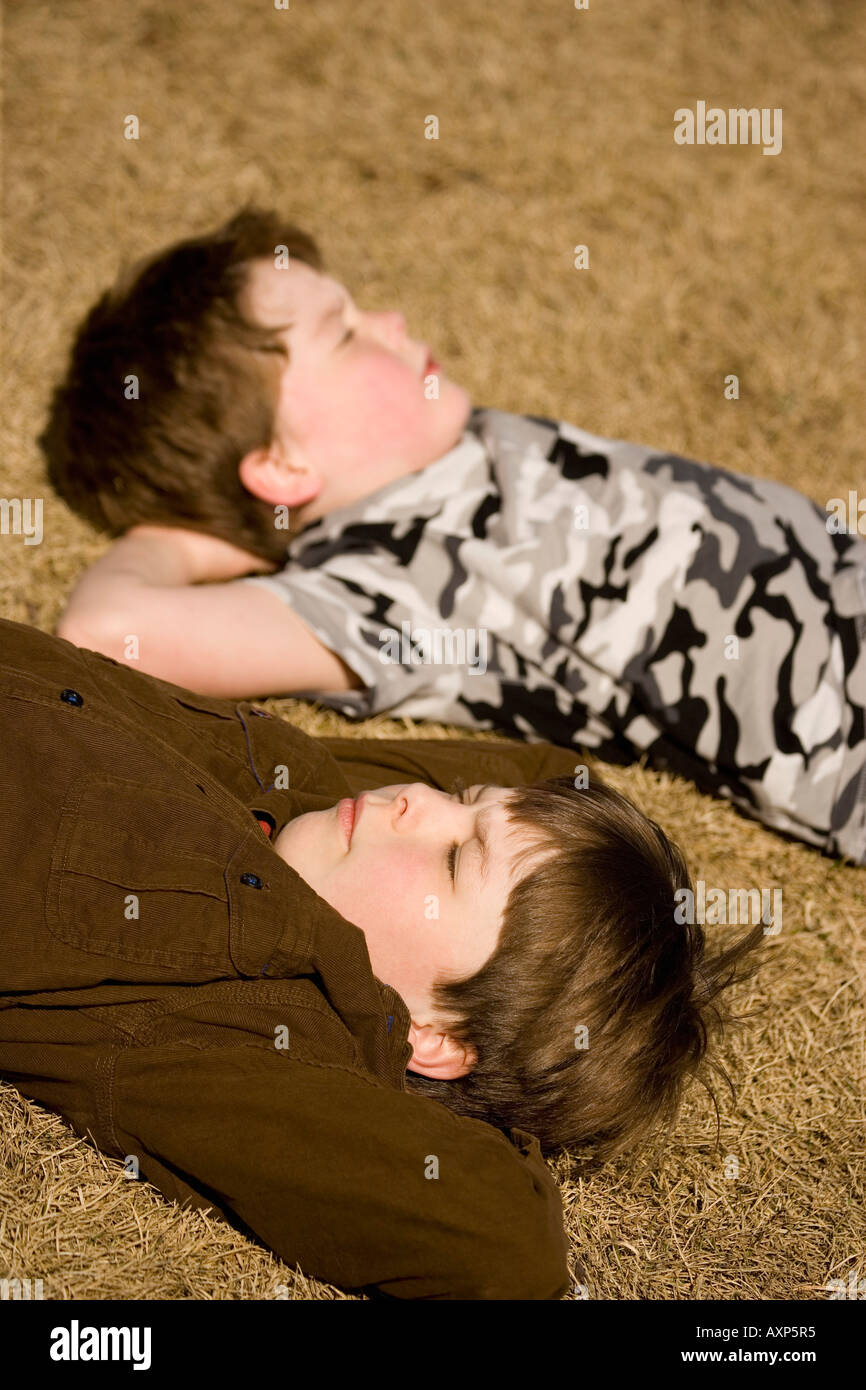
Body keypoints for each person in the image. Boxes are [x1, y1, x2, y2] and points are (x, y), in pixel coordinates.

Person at [38, 207, 866, 865]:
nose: (394, 319)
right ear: (283, 467)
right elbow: (105, 633)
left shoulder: (454, 442)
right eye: (348, 333)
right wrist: (198, 542)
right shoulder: (384, 583)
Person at [0, 616, 761, 1300]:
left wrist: (492, 1054)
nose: (419, 804)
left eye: (457, 859)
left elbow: (506, 1245)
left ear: (436, 1038)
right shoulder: (313, 794)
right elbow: (552, 769)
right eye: (463, 795)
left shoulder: (227, 1024)